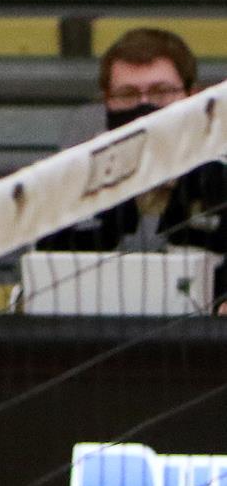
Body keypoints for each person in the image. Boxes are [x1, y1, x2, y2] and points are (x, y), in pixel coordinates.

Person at [44, 27, 227, 292]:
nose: (144, 107)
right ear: (107, 102)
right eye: (127, 95)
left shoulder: (220, 179)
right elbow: (43, 272)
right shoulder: (73, 182)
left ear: (191, 96)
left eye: (161, 91)